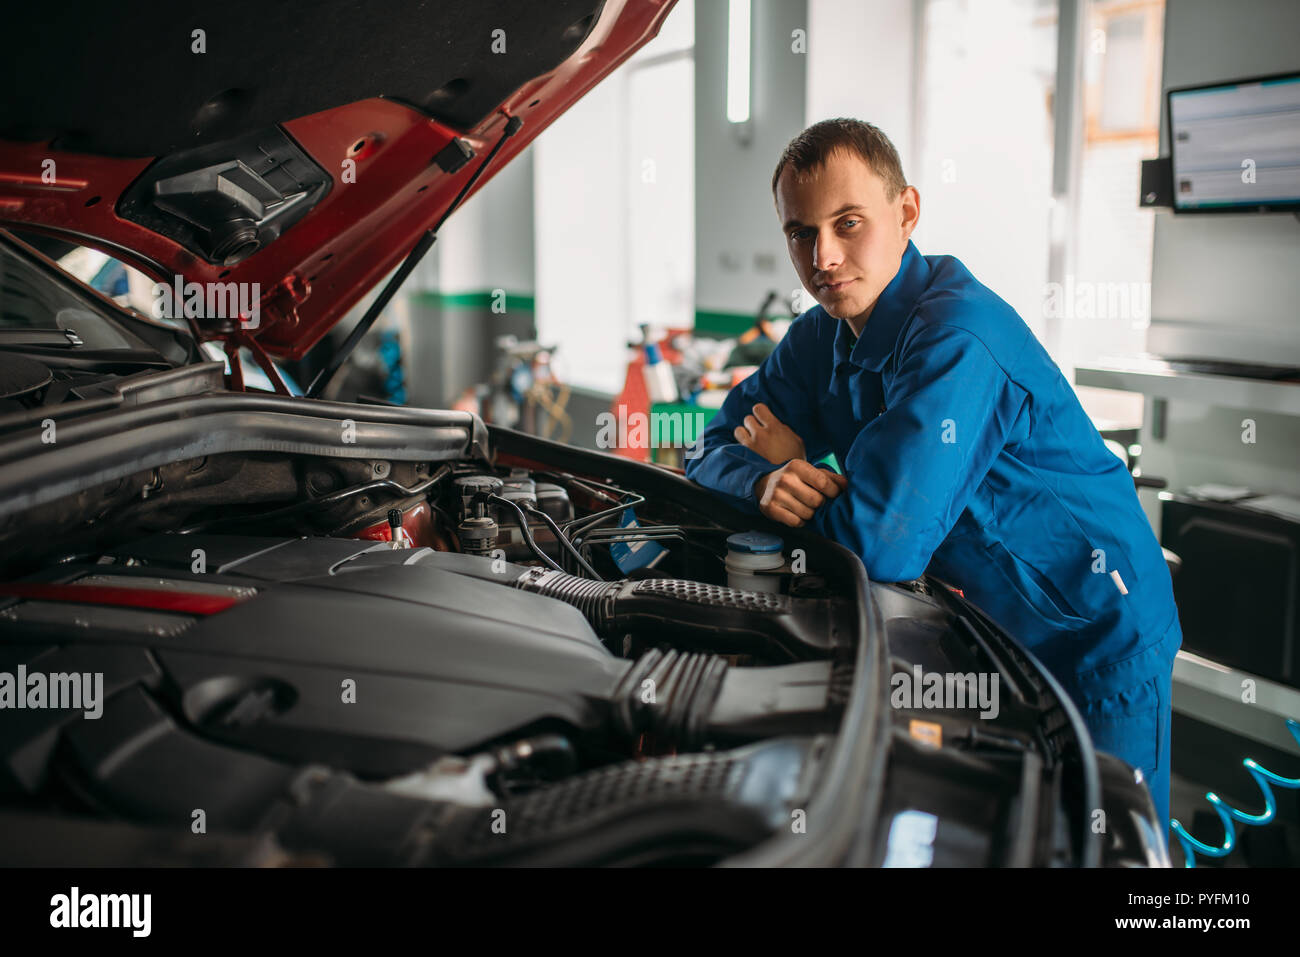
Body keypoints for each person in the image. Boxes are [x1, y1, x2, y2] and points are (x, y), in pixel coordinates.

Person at [685, 118, 1181, 836]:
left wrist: (799, 461)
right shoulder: (820, 335)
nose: (823, 255)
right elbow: (707, 445)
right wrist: (765, 481)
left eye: (848, 223)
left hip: (1096, 630)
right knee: (1008, 830)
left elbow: (881, 544)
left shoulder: (955, 337)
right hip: (986, 625)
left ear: (906, 212)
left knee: (1109, 843)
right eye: (801, 232)